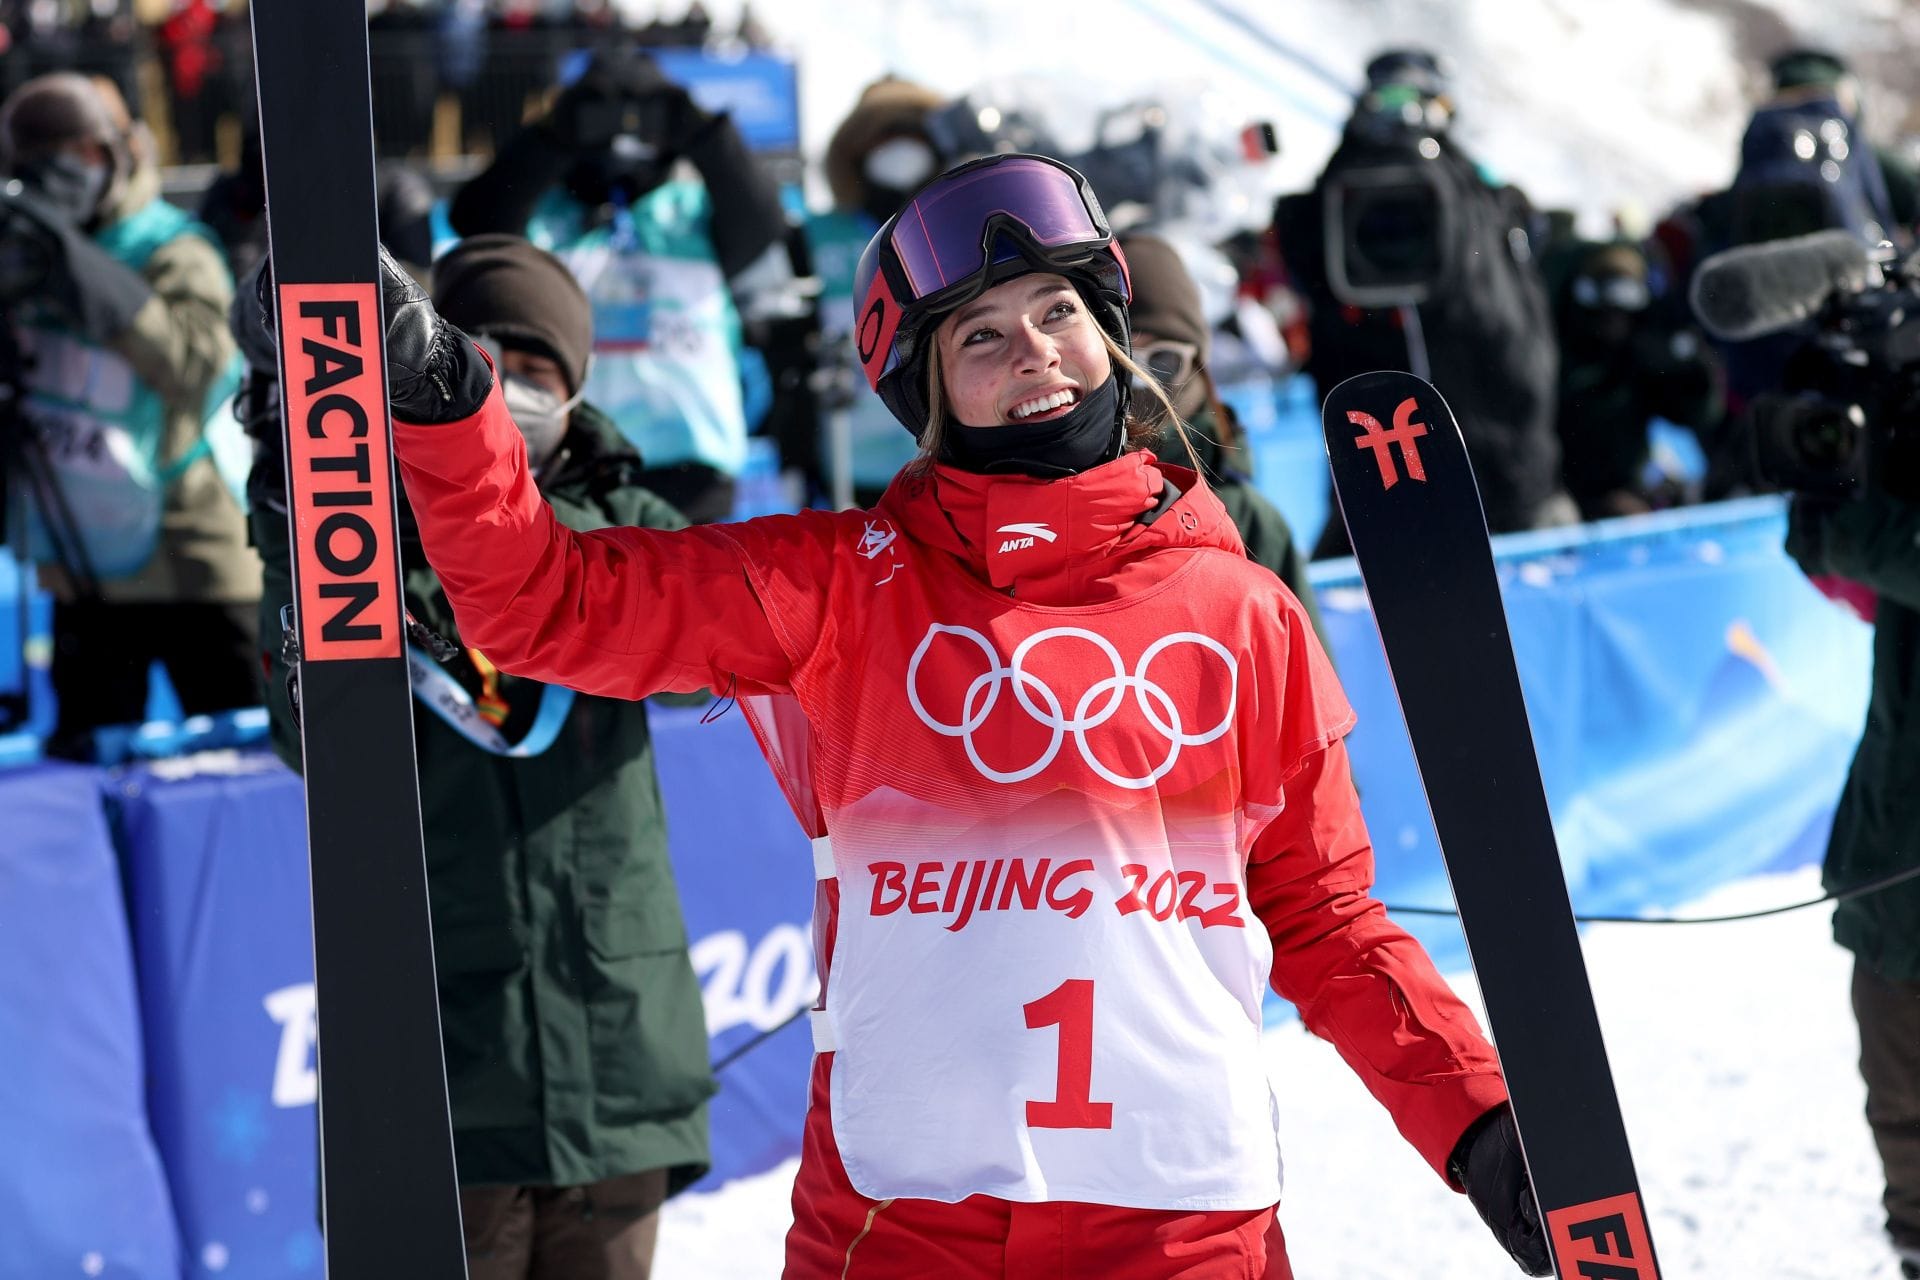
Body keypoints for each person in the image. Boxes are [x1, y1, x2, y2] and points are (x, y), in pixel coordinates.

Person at [349, 153, 1548, 1277]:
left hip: (1186, 1230)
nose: (1032, 351)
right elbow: (545, 607)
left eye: (1057, 312)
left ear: (1112, 338)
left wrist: (1482, 1122)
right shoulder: (837, 587)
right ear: (926, 389)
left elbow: (1329, 919)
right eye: (981, 334)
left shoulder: (1244, 615)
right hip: (897, 1228)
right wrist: (448, 405)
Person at [242, 237, 713, 1280]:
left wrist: (514, 547)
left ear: (575, 388)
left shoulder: (629, 517)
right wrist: (295, 518)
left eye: (532, 368)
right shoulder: (356, 542)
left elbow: (698, 663)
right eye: (475, 355)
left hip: (618, 1058)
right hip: (436, 1076)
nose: (501, 387)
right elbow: (302, 736)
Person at [0, 72, 256, 758]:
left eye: (70, 158)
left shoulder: (174, 248)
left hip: (191, 557)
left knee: (238, 767)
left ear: (109, 155)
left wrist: (78, 268)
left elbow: (199, 366)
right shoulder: (19, 251)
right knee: (87, 770)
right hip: (84, 564)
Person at [447, 48, 792, 524]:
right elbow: (477, 218)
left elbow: (763, 220)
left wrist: (696, 127)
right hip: (580, 462)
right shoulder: (551, 215)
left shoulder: (694, 211)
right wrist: (556, 134)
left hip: (693, 467)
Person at [1274, 48, 1567, 557]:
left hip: (1503, 465)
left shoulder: (1476, 192)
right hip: (1384, 463)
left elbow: (1503, 325)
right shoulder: (1334, 196)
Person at [1788, 492, 1920, 1280]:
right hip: (1893, 867)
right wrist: (1826, 476)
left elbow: (1877, 548)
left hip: (1893, 866)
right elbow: (1826, 557)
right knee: (1900, 1097)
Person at [1118, 232, 1328, 650]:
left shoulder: (1247, 519)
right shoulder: (1061, 510)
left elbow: (1311, 690)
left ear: (1197, 361)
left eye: (1161, 361)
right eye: (1121, 363)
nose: (1142, 381)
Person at [805, 75, 948, 507]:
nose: (901, 148)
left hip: (950, 461)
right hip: (850, 465)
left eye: (915, 133)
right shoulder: (816, 236)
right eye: (886, 135)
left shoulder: (963, 227)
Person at [1544, 239, 1722, 519]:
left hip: (1628, 492)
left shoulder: (1640, 353)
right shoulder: (1556, 356)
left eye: (1625, 293)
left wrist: (1693, 367)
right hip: (1562, 495)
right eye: (1599, 292)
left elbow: (1695, 413)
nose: (1612, 312)